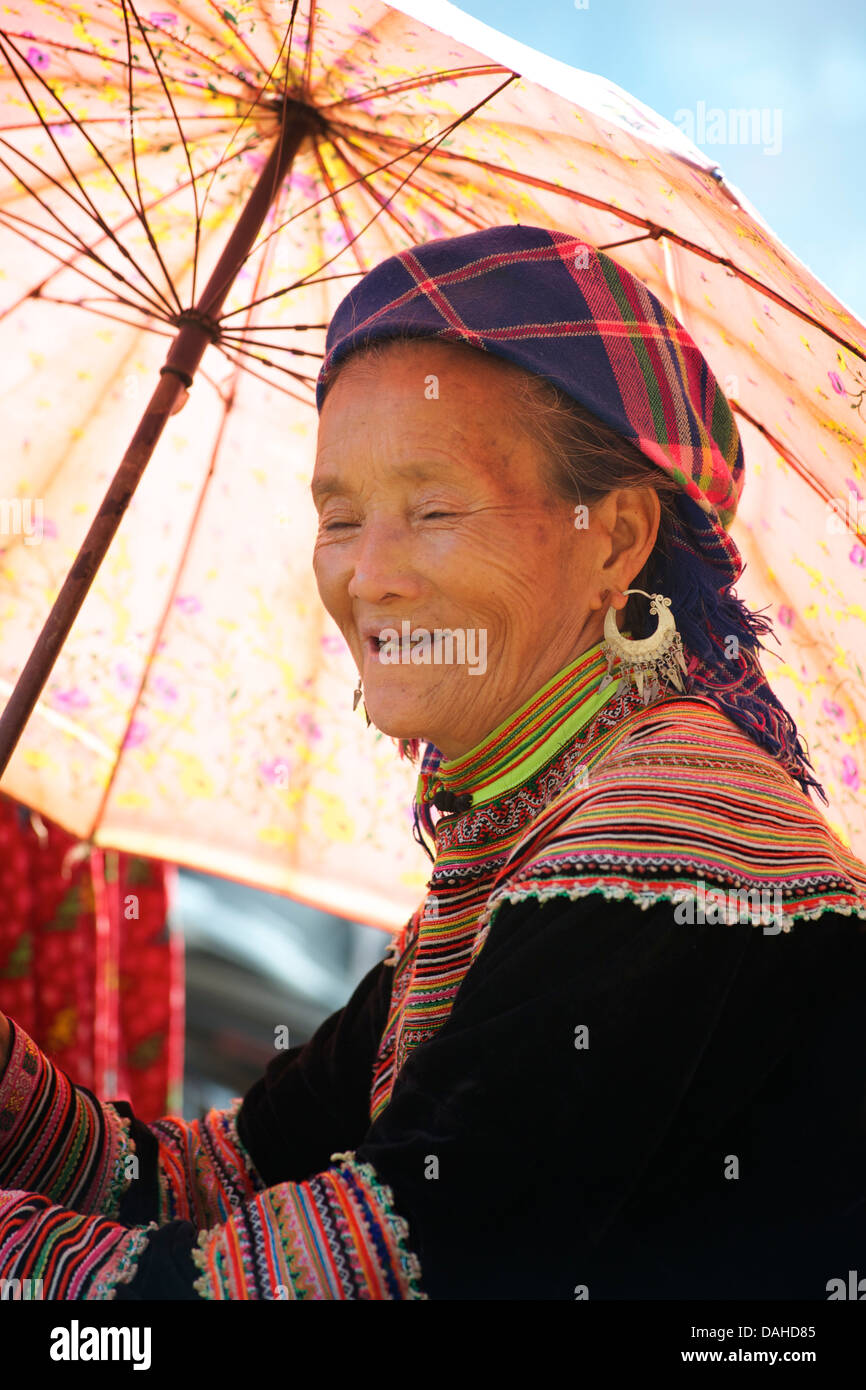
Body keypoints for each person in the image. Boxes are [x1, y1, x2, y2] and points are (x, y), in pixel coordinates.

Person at [1, 224, 865, 1301]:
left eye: (433, 511)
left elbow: (359, 1275)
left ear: (613, 537)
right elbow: (209, 1185)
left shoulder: (667, 834)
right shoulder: (512, 846)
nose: (367, 577)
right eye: (338, 515)